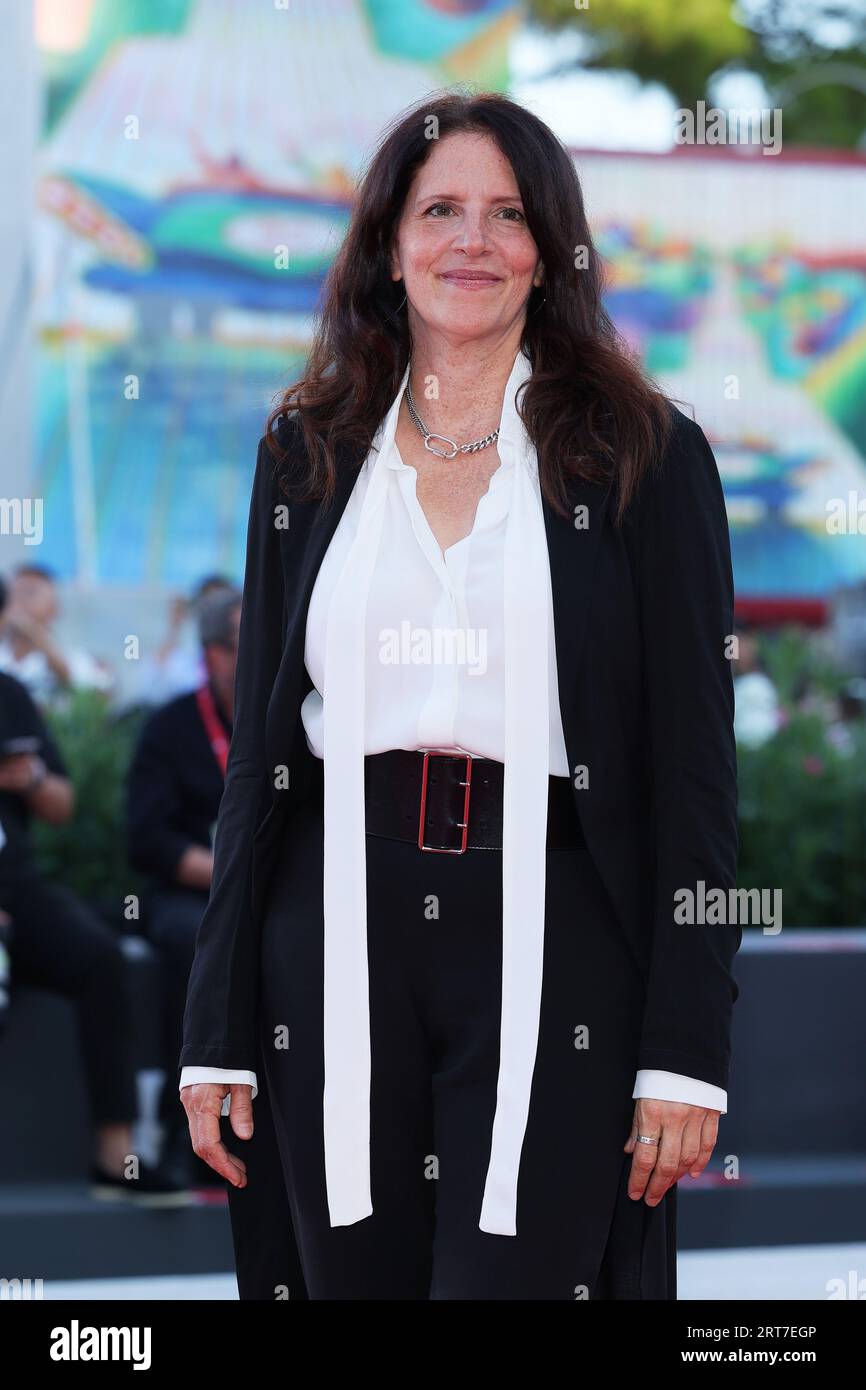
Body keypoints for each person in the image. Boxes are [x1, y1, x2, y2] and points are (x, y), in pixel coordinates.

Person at [179, 91, 740, 1300]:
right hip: (330, 940)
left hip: (559, 936)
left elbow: (695, 765)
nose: (469, 241)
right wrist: (215, 1023)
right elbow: (257, 766)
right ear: (390, 241)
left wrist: (686, 1052)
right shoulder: (307, 452)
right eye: (439, 209)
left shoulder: (644, 452)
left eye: (506, 213)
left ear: (551, 248)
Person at [0, 575, 184, 1204]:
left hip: (16, 884)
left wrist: (25, 778)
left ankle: (117, 1153)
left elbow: (62, 805)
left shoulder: (11, 697)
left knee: (102, 959)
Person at [126, 589, 242, 1180]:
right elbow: (145, 839)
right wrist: (224, 870)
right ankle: (182, 1135)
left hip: (264, 889)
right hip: (191, 895)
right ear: (211, 655)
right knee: (191, 943)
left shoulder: (291, 721)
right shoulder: (171, 726)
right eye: (238, 647)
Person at [0, 564, 114, 706]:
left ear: (55, 607)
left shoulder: (75, 659)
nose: (18, 601)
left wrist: (37, 637)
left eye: (29, 593)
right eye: (12, 593)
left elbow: (98, 693)